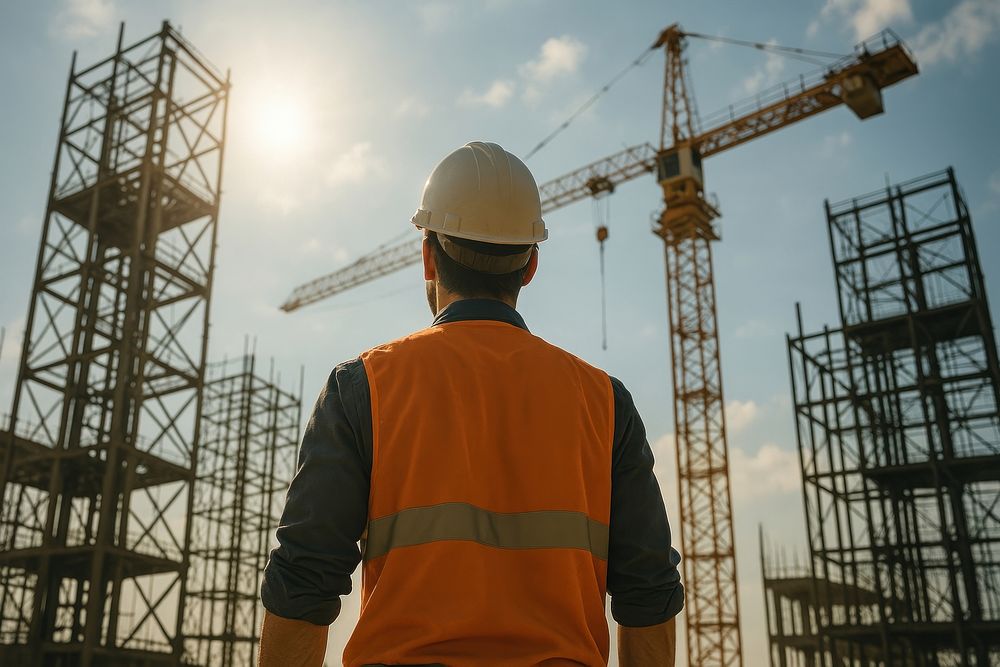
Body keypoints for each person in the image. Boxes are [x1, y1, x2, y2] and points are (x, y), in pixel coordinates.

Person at [258, 141, 683, 666]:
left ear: (427, 256)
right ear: (530, 266)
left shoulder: (363, 385)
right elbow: (648, 592)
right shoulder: (604, 402)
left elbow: (304, 576)